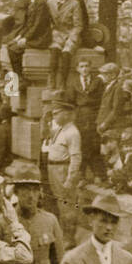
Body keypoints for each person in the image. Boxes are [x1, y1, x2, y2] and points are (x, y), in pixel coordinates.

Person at [8, 163, 62, 264]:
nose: (31, 195)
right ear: (16, 191)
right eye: (25, 189)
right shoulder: (4, 222)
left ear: (40, 192)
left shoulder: (50, 221)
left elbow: (59, 262)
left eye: (35, 190)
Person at [42, 99, 83, 246]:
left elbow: (76, 157)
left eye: (56, 114)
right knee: (59, 204)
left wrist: (70, 179)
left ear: (67, 114)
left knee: (67, 205)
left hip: (63, 170)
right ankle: (62, 235)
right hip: (54, 169)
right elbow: (46, 132)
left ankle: (69, 238)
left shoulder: (72, 132)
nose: (54, 117)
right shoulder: (60, 129)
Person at [7, 0, 53, 89]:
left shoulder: (40, 3)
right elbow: (29, 24)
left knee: (13, 49)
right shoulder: (34, 2)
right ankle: (18, 79)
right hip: (35, 36)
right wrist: (20, 36)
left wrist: (25, 39)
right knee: (11, 45)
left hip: (41, 39)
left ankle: (20, 79)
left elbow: (38, 26)